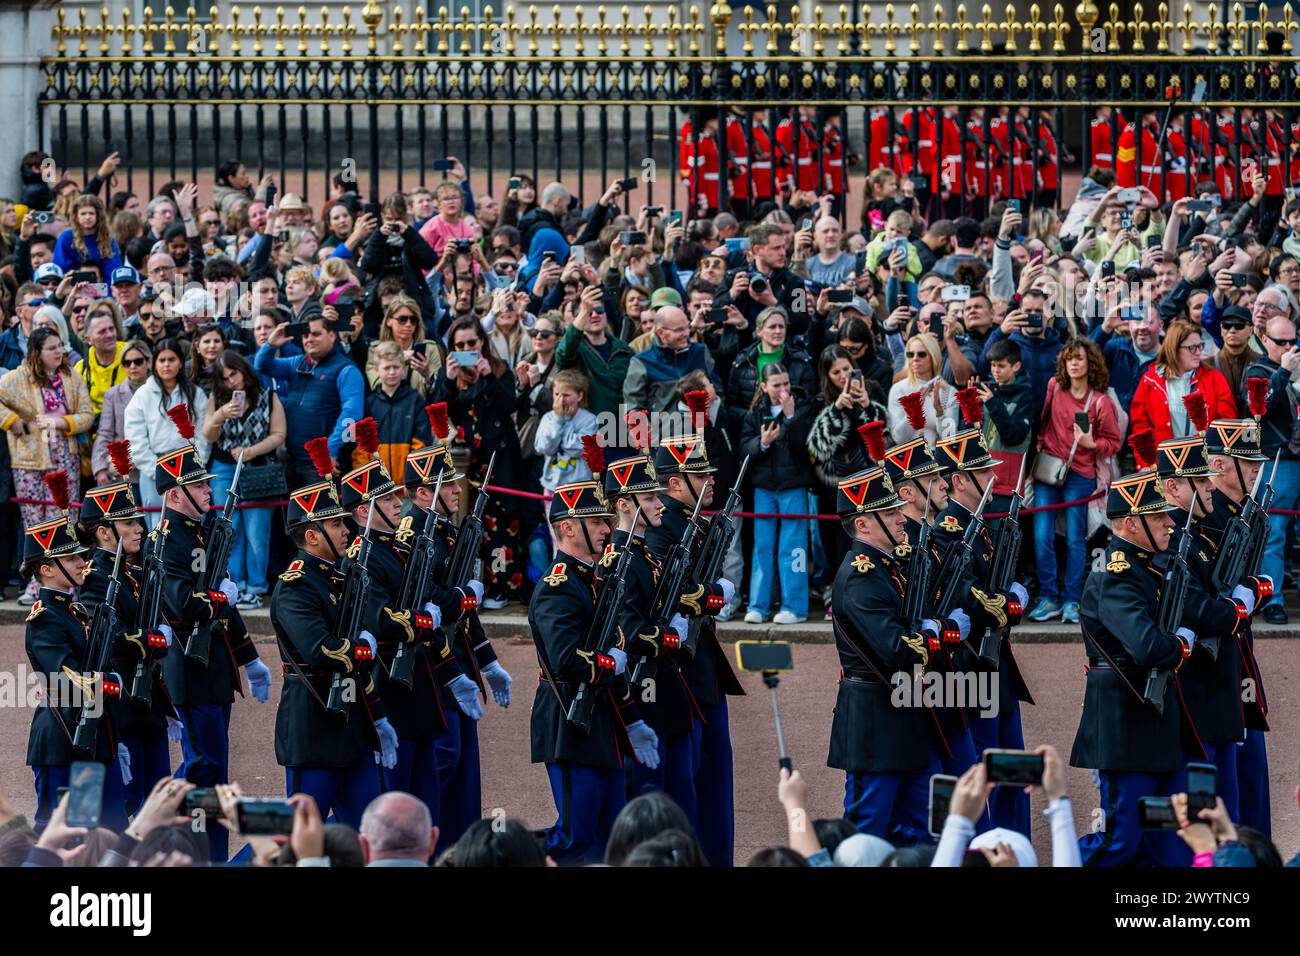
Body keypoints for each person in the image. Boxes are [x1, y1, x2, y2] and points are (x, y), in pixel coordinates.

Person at [155, 411, 269, 863]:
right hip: (189, 665)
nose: (210, 491)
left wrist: (249, 658)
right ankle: (193, 850)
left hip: (214, 668)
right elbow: (183, 603)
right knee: (203, 768)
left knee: (210, 768)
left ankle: (198, 847)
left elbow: (224, 607)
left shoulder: (202, 532)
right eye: (202, 487)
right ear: (177, 494)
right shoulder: (167, 541)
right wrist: (219, 599)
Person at [528, 475, 660, 865]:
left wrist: (633, 721)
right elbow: (564, 658)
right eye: (598, 522)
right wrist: (607, 663)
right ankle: (508, 853)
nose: (607, 529)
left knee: (611, 836)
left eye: (606, 520)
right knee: (574, 834)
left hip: (603, 721)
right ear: (568, 528)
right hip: (569, 720)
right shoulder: (559, 585)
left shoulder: (596, 579)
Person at [828, 462, 960, 840]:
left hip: (905, 714)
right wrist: (935, 633)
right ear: (863, 524)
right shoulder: (860, 576)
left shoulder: (890, 567)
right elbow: (898, 650)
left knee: (925, 829)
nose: (901, 516)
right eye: (888, 512)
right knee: (867, 834)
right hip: (875, 723)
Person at [1071, 469, 1194, 866]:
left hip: (1149, 717)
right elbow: (1147, 646)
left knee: (1170, 839)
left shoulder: (1144, 566)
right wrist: (1181, 644)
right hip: (1124, 720)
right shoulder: (1115, 574)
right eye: (1158, 516)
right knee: (1120, 839)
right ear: (1129, 523)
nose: (1169, 522)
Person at [273, 452, 396, 829]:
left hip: (351, 727)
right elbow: (320, 650)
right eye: (336, 524)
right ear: (312, 535)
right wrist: (363, 647)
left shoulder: (338, 578)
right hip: (313, 728)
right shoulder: (295, 586)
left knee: (369, 833)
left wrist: (378, 716)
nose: (347, 530)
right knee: (297, 838)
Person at [1155, 435, 1263, 823]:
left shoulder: (1196, 534)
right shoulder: (1170, 541)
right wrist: (1235, 608)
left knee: (1228, 806)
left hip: (1218, 690)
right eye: (1199, 483)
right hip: (1193, 692)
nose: (1209, 488)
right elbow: (1194, 606)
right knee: (1199, 810)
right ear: (1172, 487)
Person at [644, 435, 740, 865]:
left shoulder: (697, 523)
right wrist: (713, 593)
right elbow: (669, 592)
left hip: (702, 663)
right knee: (688, 775)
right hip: (679, 666)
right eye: (701, 475)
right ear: (676, 484)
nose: (711, 482)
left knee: (716, 772)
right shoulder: (664, 526)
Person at [398, 437, 500, 844]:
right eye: (449, 485)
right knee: (444, 755)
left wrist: (488, 660)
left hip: (458, 660)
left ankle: (459, 845)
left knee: (464, 767)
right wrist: (463, 597)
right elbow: (422, 595)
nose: (458, 490)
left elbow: (462, 612)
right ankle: (424, 840)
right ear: (424, 493)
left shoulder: (445, 530)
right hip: (432, 662)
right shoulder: (414, 533)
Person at [932, 428, 1032, 834]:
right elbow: (968, 594)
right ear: (959, 480)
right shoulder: (948, 529)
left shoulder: (983, 525)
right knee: (986, 769)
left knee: (1013, 769)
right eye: (981, 472)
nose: (993, 477)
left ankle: (1016, 851)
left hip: (997, 662)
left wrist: (1016, 595)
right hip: (971, 665)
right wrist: (1003, 602)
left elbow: (1007, 578)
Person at [74, 460, 175, 817]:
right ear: (104, 532)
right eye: (128, 523)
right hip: (120, 706)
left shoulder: (129, 570)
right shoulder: (96, 577)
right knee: (128, 808)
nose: (139, 529)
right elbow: (108, 639)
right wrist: (153, 639)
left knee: (157, 802)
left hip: (146, 701)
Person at [1199, 419, 1273, 836]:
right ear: (1219, 464)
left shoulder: (1247, 513)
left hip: (1239, 650)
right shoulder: (1204, 518)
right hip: (1213, 652)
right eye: (1246, 465)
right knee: (1225, 760)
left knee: (1250, 760)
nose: (1255, 472)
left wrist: (1255, 592)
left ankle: (1256, 848)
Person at [429, 317, 526, 608]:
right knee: (465, 528)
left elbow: (510, 405)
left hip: (497, 463)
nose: (467, 348)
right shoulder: (448, 375)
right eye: (460, 345)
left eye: (472, 343)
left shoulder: (498, 369)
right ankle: (467, 586)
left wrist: (488, 378)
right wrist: (446, 379)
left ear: (482, 341)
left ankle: (498, 588)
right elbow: (436, 411)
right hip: (462, 467)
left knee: (499, 531)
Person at [1028, 338, 1121, 624]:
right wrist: (1042, 441)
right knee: (1041, 536)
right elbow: (1042, 421)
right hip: (1048, 470)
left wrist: (1093, 444)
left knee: (1075, 539)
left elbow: (1114, 443)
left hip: (1080, 474)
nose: (1074, 363)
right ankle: (1049, 597)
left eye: (1079, 358)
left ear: (1090, 363)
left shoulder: (1100, 401)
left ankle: (1072, 599)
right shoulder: (1054, 388)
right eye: (1069, 359)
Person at [0, 328, 94, 604]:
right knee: (34, 524)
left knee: (63, 522)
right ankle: (36, 582)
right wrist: (10, 421)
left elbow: (87, 415)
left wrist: (63, 422)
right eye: (52, 347)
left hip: (65, 458)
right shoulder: (17, 378)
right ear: (36, 352)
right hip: (29, 460)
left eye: (60, 346)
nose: (59, 352)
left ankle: (67, 582)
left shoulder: (71, 377)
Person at [200, 349, 286, 610]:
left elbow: (279, 434)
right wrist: (220, 415)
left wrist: (250, 451)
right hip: (224, 468)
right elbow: (208, 435)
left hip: (258, 468)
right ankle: (234, 584)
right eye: (225, 378)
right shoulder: (217, 398)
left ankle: (256, 587)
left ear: (244, 370)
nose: (232, 382)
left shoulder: (268, 396)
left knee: (257, 531)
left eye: (234, 374)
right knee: (230, 528)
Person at [740, 363, 813, 625]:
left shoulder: (802, 408)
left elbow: (804, 448)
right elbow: (744, 452)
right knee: (762, 547)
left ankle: (795, 607)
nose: (783, 390)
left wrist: (791, 418)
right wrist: (763, 443)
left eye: (786, 384)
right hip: (764, 489)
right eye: (777, 385)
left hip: (793, 487)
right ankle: (758, 605)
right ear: (764, 387)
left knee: (794, 550)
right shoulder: (753, 415)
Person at [255, 314, 364, 488]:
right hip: (292, 459)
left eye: (316, 334)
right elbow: (262, 365)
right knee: (292, 515)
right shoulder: (297, 362)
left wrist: (330, 450)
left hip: (324, 464)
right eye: (306, 335)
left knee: (321, 515)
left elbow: (352, 416)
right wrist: (271, 343)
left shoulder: (346, 369)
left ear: (331, 336)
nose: (309, 339)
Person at [1241, 314, 1300, 624]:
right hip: (1279, 461)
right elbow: (1256, 409)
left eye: (1294, 341)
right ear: (1265, 340)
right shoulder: (1257, 371)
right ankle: (1272, 598)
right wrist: (1284, 372)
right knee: (1274, 533)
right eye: (1282, 342)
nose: (1289, 347)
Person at [123, 338, 209, 527]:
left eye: (172, 359)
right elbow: (135, 440)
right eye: (162, 360)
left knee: (193, 523)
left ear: (180, 362)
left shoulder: (195, 394)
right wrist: (158, 470)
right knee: (157, 525)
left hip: (189, 468)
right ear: (154, 364)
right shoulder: (143, 395)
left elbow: (202, 435)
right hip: (154, 471)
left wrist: (194, 466)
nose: (167, 365)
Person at [1130, 321, 1236, 443]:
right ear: (1174, 349)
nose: (1198, 352)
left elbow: (1227, 421)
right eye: (1192, 348)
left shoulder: (1214, 378)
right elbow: (1140, 426)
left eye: (1200, 345)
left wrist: (1216, 455)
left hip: (1207, 458)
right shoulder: (1150, 380)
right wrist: (1151, 460)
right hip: (1165, 459)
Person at [91, 339, 150, 487]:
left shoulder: (158, 390)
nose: (132, 367)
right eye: (127, 363)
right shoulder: (113, 394)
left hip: (154, 466)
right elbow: (104, 433)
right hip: (125, 473)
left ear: (148, 362)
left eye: (138, 361)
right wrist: (100, 468)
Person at [888, 332, 960, 446]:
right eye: (910, 354)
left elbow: (949, 438)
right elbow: (898, 438)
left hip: (939, 458)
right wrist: (914, 410)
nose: (915, 359)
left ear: (933, 357)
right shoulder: (898, 389)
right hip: (909, 460)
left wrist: (939, 412)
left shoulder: (949, 392)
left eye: (921, 354)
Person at [534, 369, 599, 492]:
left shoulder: (590, 420)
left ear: (579, 396)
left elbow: (576, 449)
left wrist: (566, 423)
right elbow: (543, 448)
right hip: (552, 486)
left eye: (566, 395)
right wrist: (558, 419)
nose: (560, 400)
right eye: (557, 394)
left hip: (580, 486)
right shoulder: (548, 418)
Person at [53, 195, 123, 278]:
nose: (87, 217)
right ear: (76, 216)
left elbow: (113, 272)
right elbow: (60, 268)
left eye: (91, 213)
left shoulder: (108, 239)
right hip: (73, 285)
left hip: (102, 286)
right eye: (83, 214)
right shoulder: (66, 238)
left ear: (98, 215)